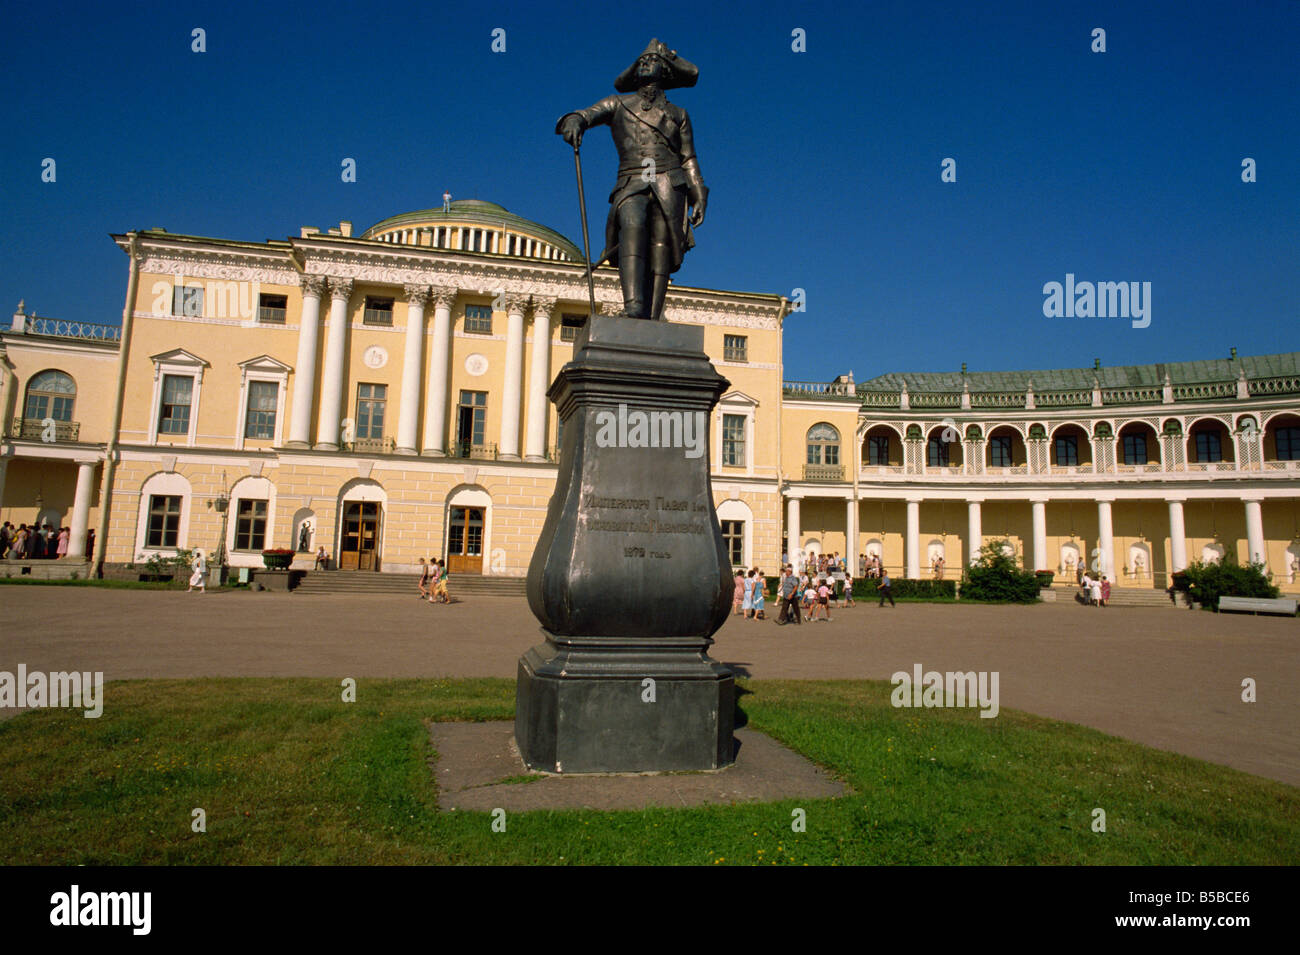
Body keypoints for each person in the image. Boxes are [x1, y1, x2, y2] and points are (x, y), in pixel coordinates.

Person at [556, 39, 708, 321]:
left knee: (662, 244)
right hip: (632, 178)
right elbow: (587, 114)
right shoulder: (619, 104)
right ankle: (634, 306)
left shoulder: (679, 114)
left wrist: (699, 192)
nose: (645, 65)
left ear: (665, 71)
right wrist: (574, 120)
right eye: (642, 62)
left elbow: (688, 157)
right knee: (632, 225)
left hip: (670, 180)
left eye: (652, 62)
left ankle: (652, 315)